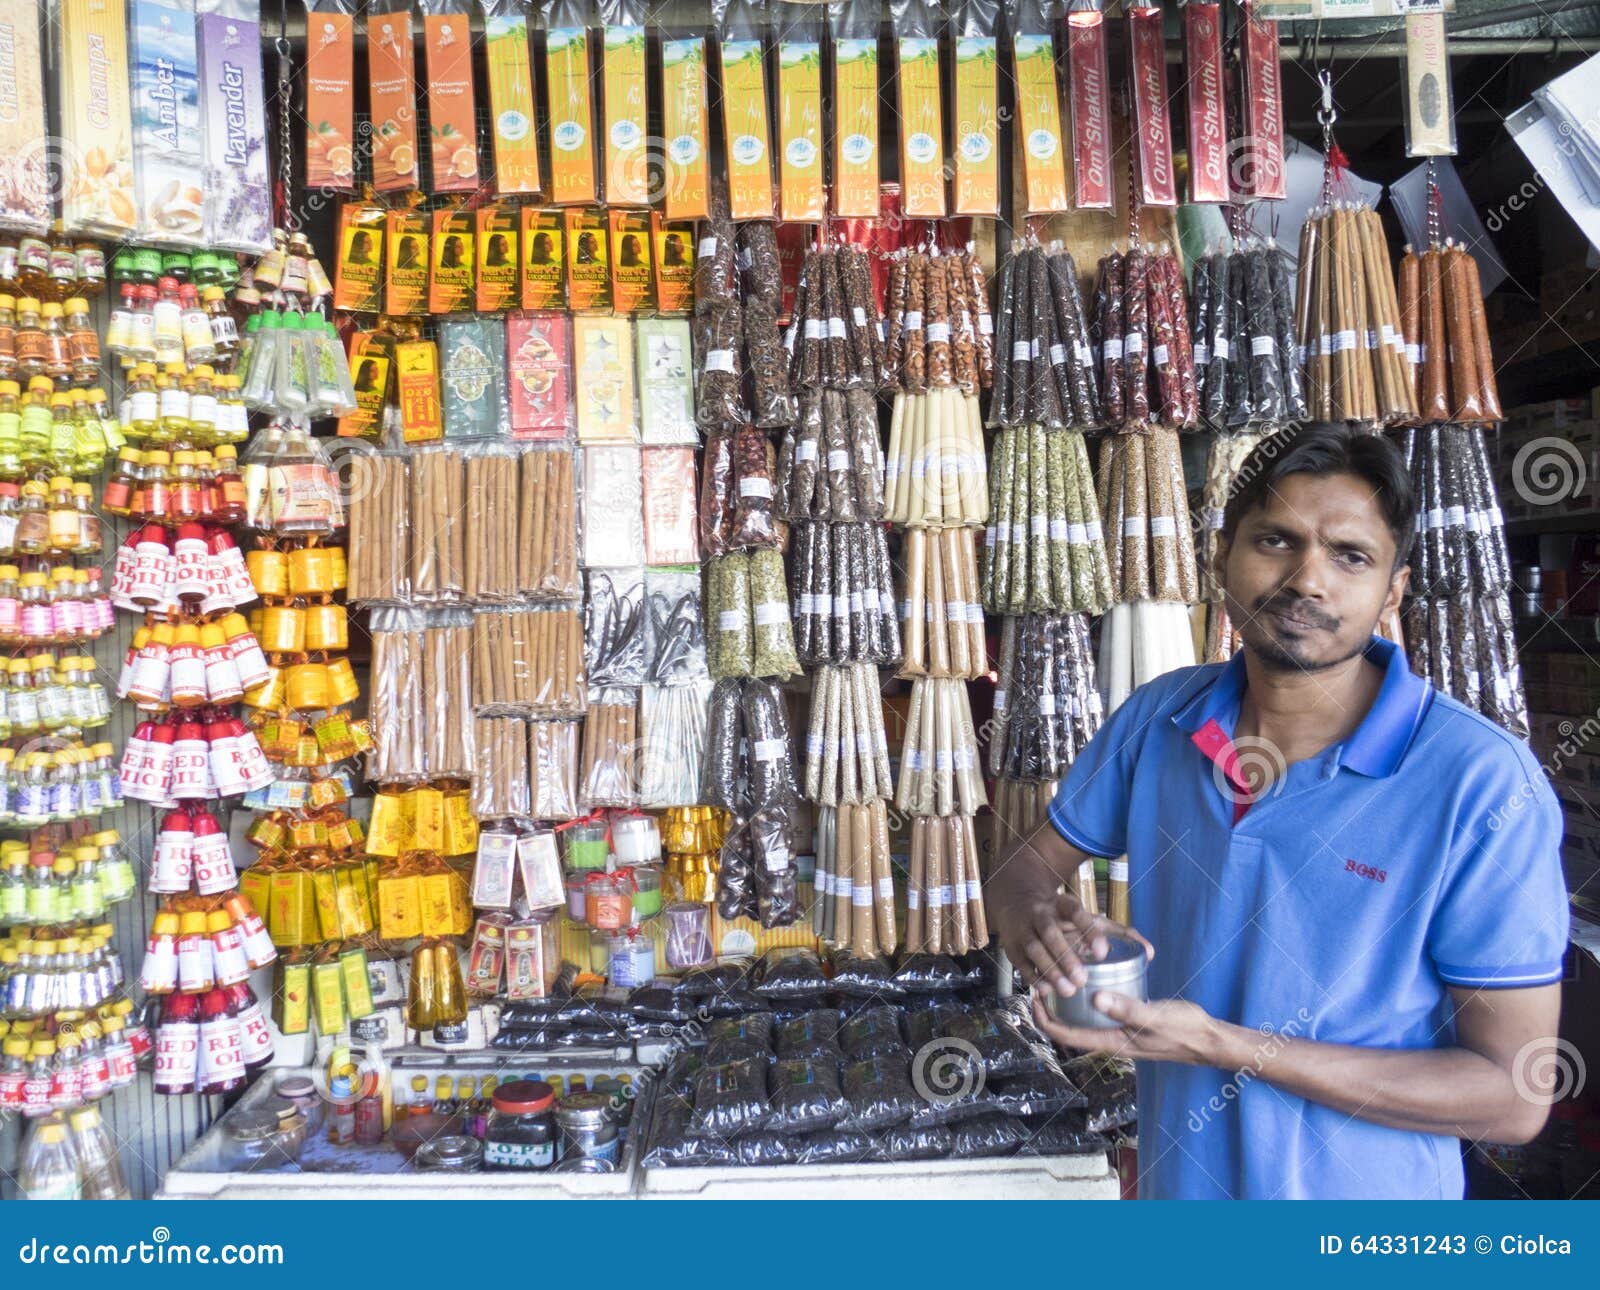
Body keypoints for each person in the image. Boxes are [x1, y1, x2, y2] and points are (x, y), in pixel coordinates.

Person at [989, 424, 1569, 1200]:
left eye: (1350, 556)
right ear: (1220, 557)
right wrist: (1037, 923)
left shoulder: (1481, 784)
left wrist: (1225, 1046)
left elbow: (1512, 1097)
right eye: (1276, 541)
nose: (1307, 580)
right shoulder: (1160, 718)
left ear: (1393, 590)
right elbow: (1022, 869)